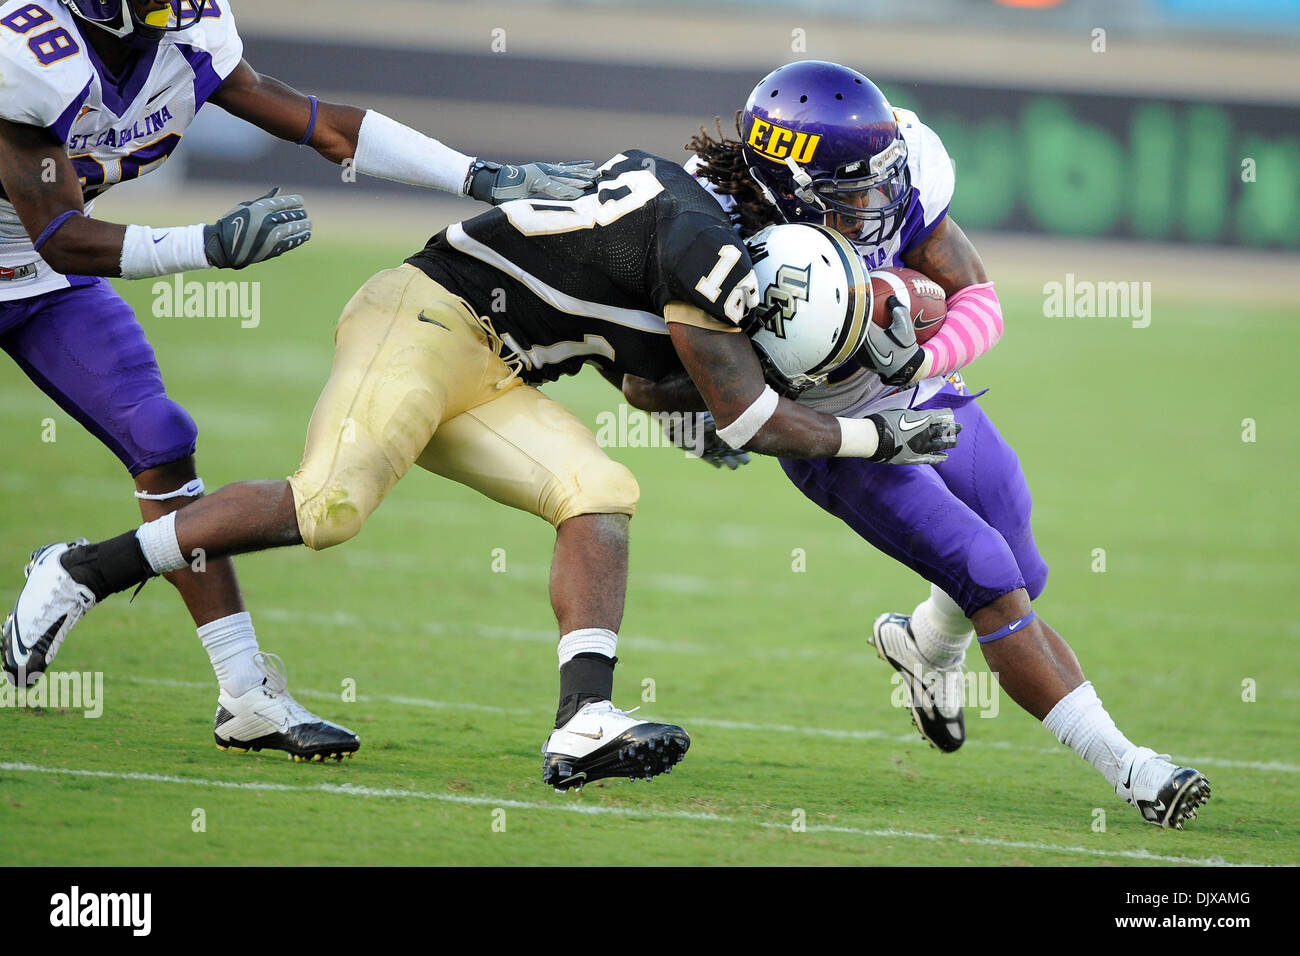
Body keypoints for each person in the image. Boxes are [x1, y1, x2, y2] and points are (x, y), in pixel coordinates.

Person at [3, 148, 960, 788]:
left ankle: (582, 721)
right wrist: (881, 438)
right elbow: (750, 413)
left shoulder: (703, 231)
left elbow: (641, 382)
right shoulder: (711, 256)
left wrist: (692, 409)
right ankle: (79, 570)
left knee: (600, 491)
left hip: (492, 363)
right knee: (330, 506)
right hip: (421, 317)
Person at [0, 0, 599, 761]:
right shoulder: (24, 52)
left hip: (43, 285)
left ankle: (245, 693)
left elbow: (326, 126)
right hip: (54, 260)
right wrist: (209, 245)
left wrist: (480, 177)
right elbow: (65, 237)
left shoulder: (186, 39)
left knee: (160, 436)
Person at [628, 60, 1209, 828]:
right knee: (988, 573)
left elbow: (980, 299)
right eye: (854, 190)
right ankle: (1135, 769)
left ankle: (926, 647)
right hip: (838, 434)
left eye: (881, 179)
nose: (878, 201)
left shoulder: (899, 174)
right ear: (789, 188)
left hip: (921, 392)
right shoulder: (710, 232)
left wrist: (917, 359)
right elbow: (645, 381)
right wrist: (735, 382)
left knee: (1021, 554)